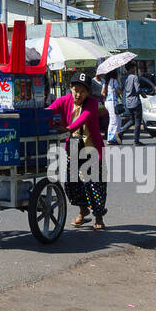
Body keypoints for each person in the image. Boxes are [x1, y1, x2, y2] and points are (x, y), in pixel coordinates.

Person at [47, 71, 107, 230]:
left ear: (88, 92)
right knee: (72, 183)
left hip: (91, 147)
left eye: (83, 91)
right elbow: (49, 111)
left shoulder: (92, 103)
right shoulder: (63, 101)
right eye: (76, 90)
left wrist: (67, 128)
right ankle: (83, 210)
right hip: (73, 146)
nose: (79, 94)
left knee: (93, 184)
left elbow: (84, 118)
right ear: (70, 88)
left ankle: (98, 216)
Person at [122, 63, 146, 145]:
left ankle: (120, 132)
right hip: (135, 101)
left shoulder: (124, 78)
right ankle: (136, 140)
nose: (135, 70)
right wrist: (143, 94)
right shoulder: (134, 77)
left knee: (132, 120)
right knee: (138, 122)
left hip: (128, 101)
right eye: (134, 68)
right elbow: (138, 89)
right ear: (131, 68)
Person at [103, 73, 123, 145]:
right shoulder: (114, 81)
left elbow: (103, 93)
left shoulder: (106, 82)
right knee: (114, 120)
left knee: (118, 119)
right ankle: (110, 139)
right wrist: (121, 87)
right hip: (112, 102)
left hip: (108, 102)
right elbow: (119, 91)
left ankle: (116, 138)